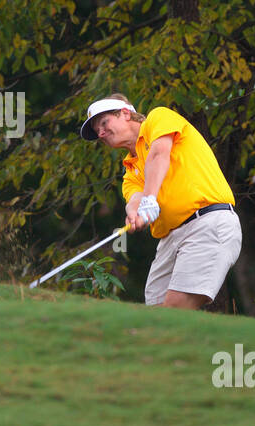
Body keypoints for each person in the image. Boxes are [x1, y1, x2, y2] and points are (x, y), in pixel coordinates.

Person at [80, 94, 242, 310]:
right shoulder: (130, 170)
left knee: (174, 311)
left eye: (104, 123)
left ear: (125, 113)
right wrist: (135, 214)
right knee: (155, 317)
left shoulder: (158, 118)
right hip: (170, 240)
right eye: (96, 131)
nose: (100, 133)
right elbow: (134, 199)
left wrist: (149, 199)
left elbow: (159, 154)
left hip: (207, 223)